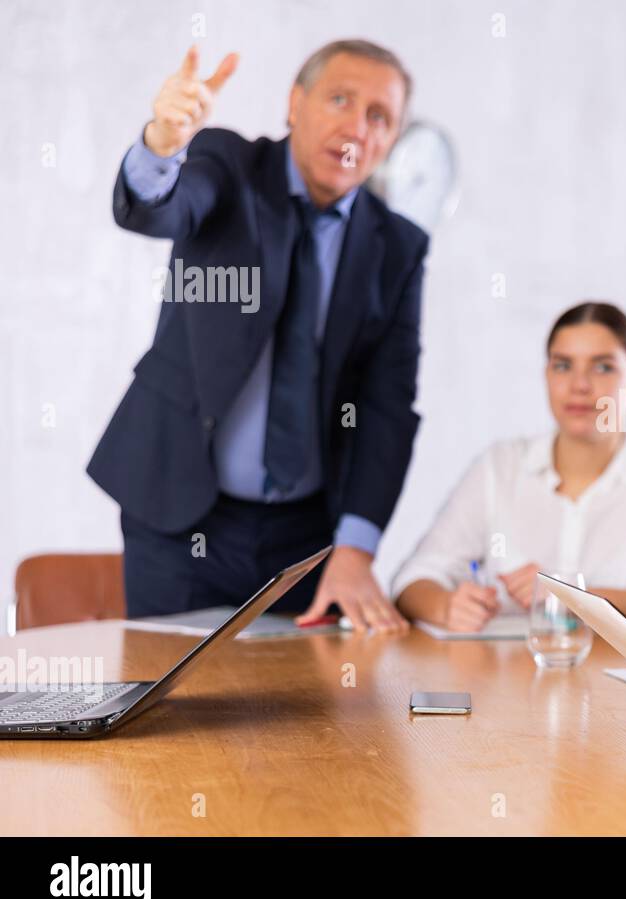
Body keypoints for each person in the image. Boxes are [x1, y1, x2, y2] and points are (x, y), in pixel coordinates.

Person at [90, 40, 428, 633]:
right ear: (294, 104)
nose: (356, 126)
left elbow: (386, 406)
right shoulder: (230, 167)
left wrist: (356, 547)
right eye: (340, 100)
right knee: (169, 707)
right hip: (179, 511)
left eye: (380, 117)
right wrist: (162, 146)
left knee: (298, 717)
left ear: (392, 139)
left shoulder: (398, 246)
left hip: (305, 541)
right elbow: (160, 206)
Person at [393, 303, 626, 631]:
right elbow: (414, 578)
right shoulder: (500, 466)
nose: (579, 385)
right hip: (505, 675)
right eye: (562, 366)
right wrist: (446, 606)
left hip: (621, 677)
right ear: (546, 376)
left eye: (603, 368)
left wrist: (578, 599)